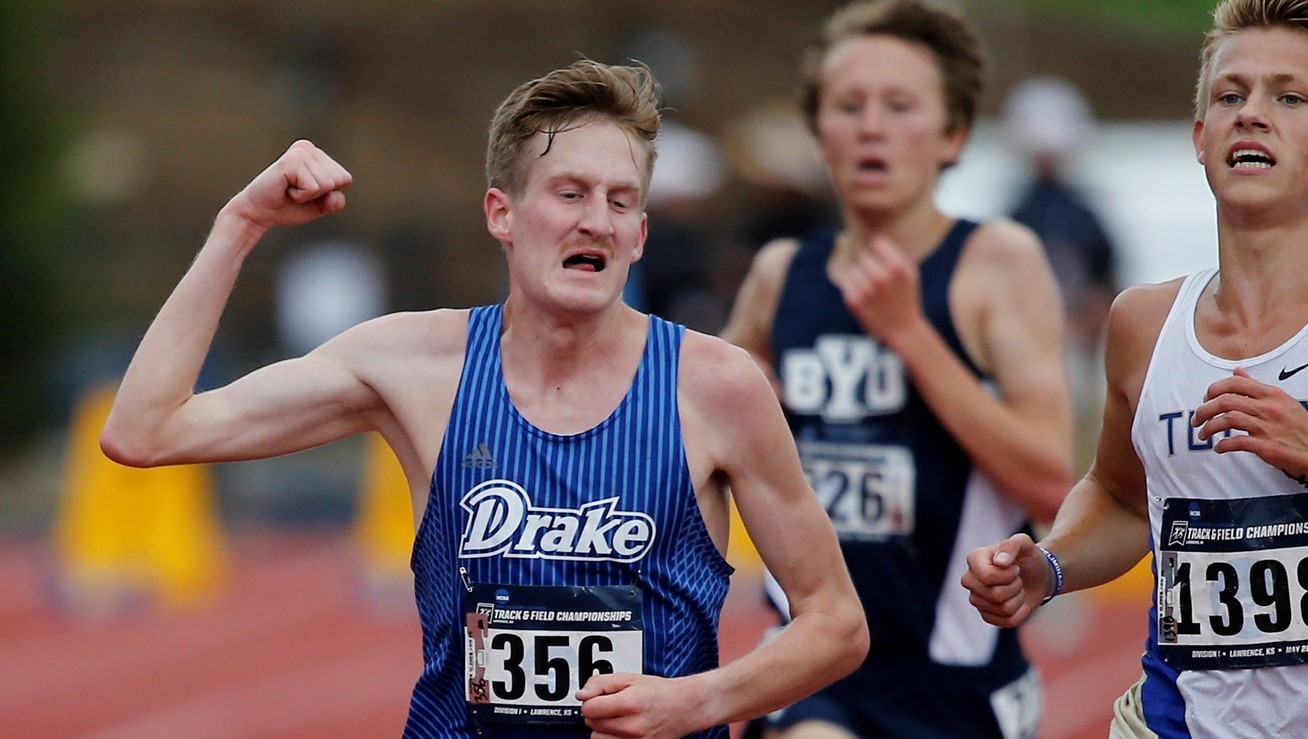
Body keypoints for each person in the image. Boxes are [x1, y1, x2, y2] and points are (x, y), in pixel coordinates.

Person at [99, 59, 868, 738]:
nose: (596, 219)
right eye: (570, 193)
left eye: (621, 200)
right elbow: (145, 430)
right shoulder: (412, 364)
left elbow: (835, 622)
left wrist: (695, 701)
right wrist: (243, 222)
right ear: (502, 214)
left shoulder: (715, 385)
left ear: (638, 235)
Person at [720, 1, 1074, 737]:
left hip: (956, 677)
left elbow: (1047, 480)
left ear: (953, 134)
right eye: (849, 106)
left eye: (899, 105)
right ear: (820, 134)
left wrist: (910, 334)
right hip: (816, 666)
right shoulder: (782, 274)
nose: (871, 126)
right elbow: (693, 432)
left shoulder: (996, 264)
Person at [962, 1, 1308, 736]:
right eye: (1230, 95)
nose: (1252, 113)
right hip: (1169, 721)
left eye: (1289, 95)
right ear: (1200, 136)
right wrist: (1047, 567)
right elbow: (1122, 498)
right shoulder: (1145, 326)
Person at [1003, 76, 1122, 471]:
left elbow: (1108, 287)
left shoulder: (1075, 216)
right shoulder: (1025, 215)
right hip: (1035, 352)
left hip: (1070, 349)